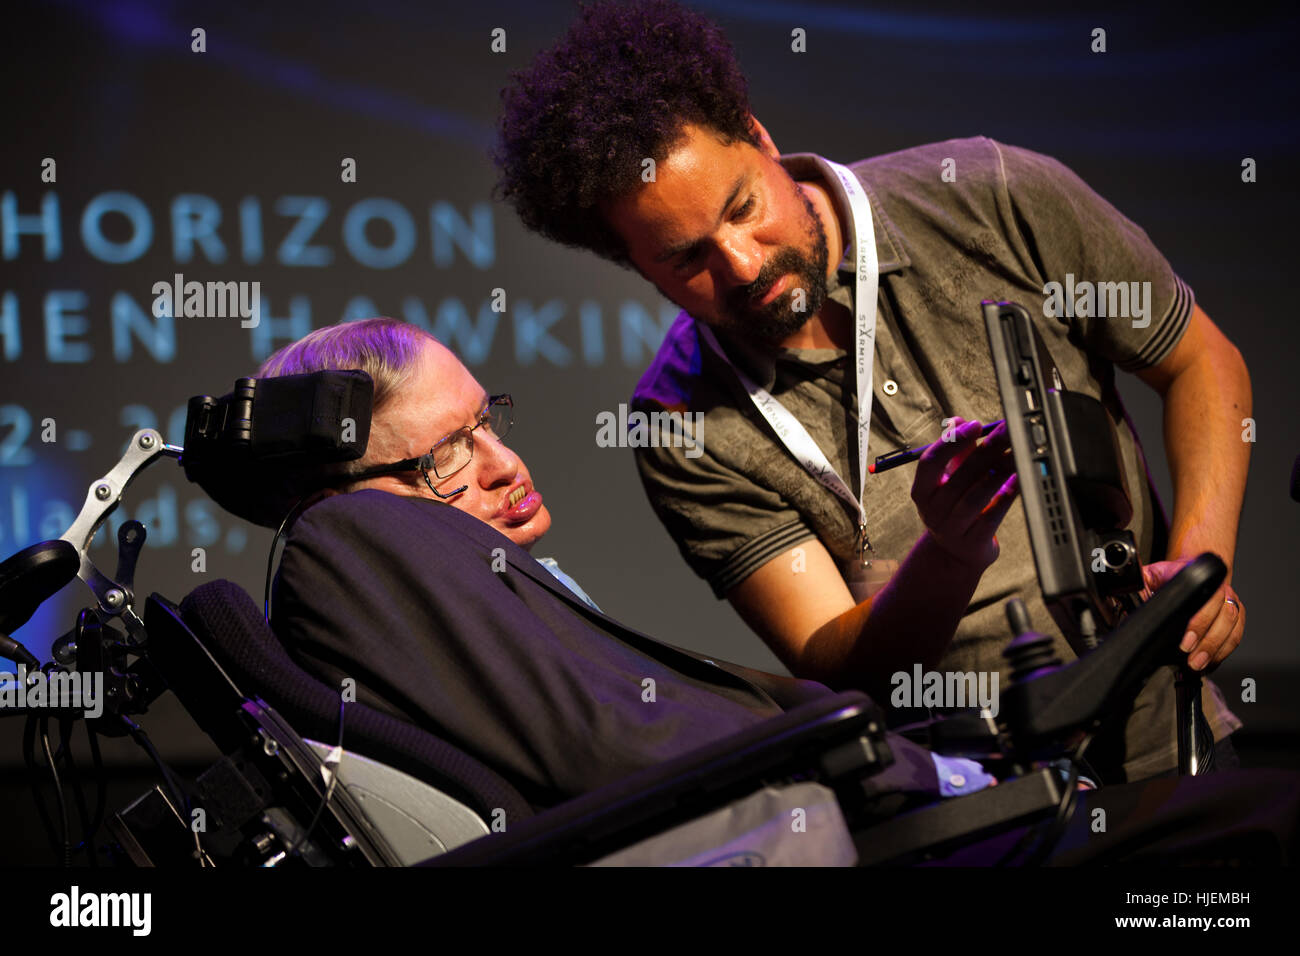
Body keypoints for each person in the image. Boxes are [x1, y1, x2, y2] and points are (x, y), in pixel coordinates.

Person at [491, 0, 1250, 783]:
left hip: (1176, 745)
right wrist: (949, 555)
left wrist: (1201, 564)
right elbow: (838, 664)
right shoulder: (679, 426)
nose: (744, 266)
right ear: (634, 266)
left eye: (744, 208)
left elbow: (1201, 363)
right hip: (968, 804)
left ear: (760, 139)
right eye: (688, 258)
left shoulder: (990, 195)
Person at [256, 318, 1296, 866]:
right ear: (356, 485)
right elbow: (619, 749)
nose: (500, 461)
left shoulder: (454, 563)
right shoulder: (355, 534)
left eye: (487, 421)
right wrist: (909, 769)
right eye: (445, 455)